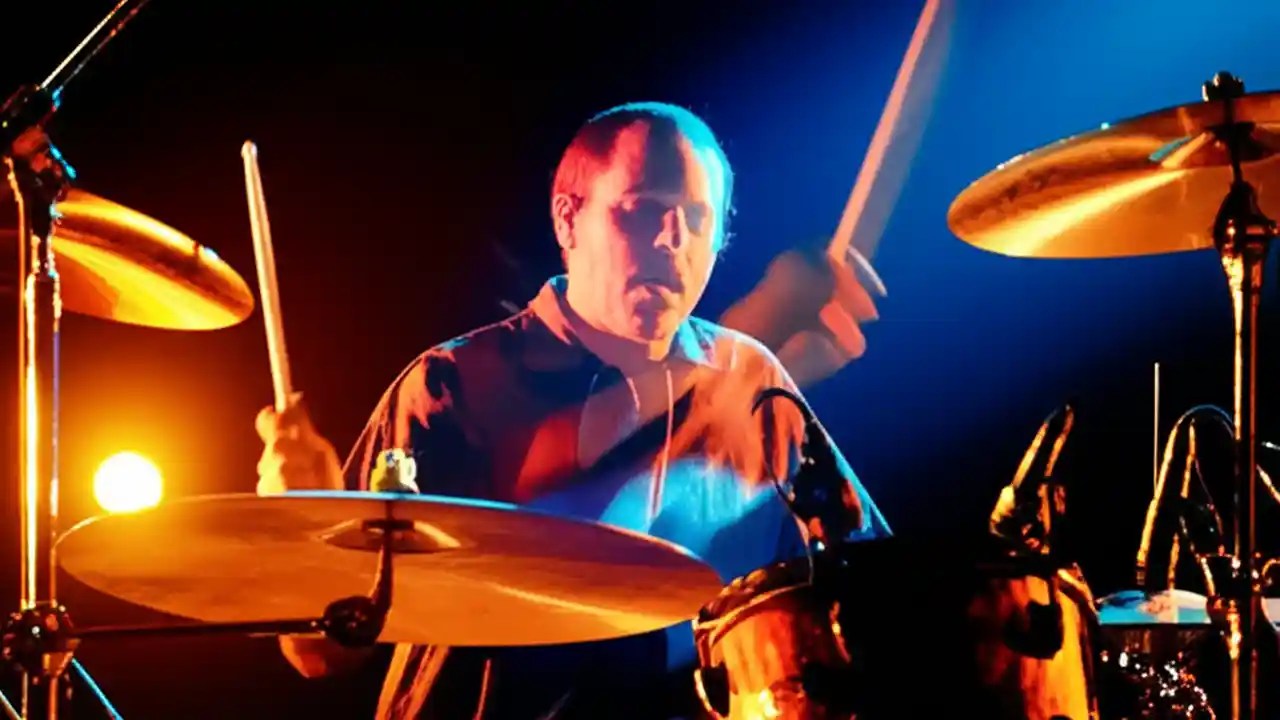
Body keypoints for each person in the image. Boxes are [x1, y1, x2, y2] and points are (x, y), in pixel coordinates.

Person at [255, 101, 891, 719]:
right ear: (567, 221)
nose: (675, 241)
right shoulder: (456, 385)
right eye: (643, 212)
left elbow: (872, 583)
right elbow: (320, 654)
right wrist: (303, 537)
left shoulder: (750, 381)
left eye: (698, 218)